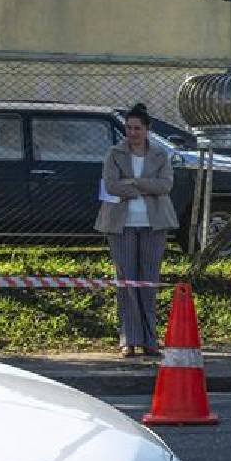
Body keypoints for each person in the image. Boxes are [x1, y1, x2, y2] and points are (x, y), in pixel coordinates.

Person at [95, 103, 179, 358]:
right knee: (126, 282)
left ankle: (150, 339)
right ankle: (128, 339)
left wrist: (132, 182)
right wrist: (144, 187)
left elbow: (165, 185)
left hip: (154, 225)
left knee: (148, 281)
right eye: (129, 128)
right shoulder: (114, 154)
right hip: (121, 225)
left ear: (147, 130)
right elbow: (111, 185)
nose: (132, 133)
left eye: (137, 128)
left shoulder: (160, 155)